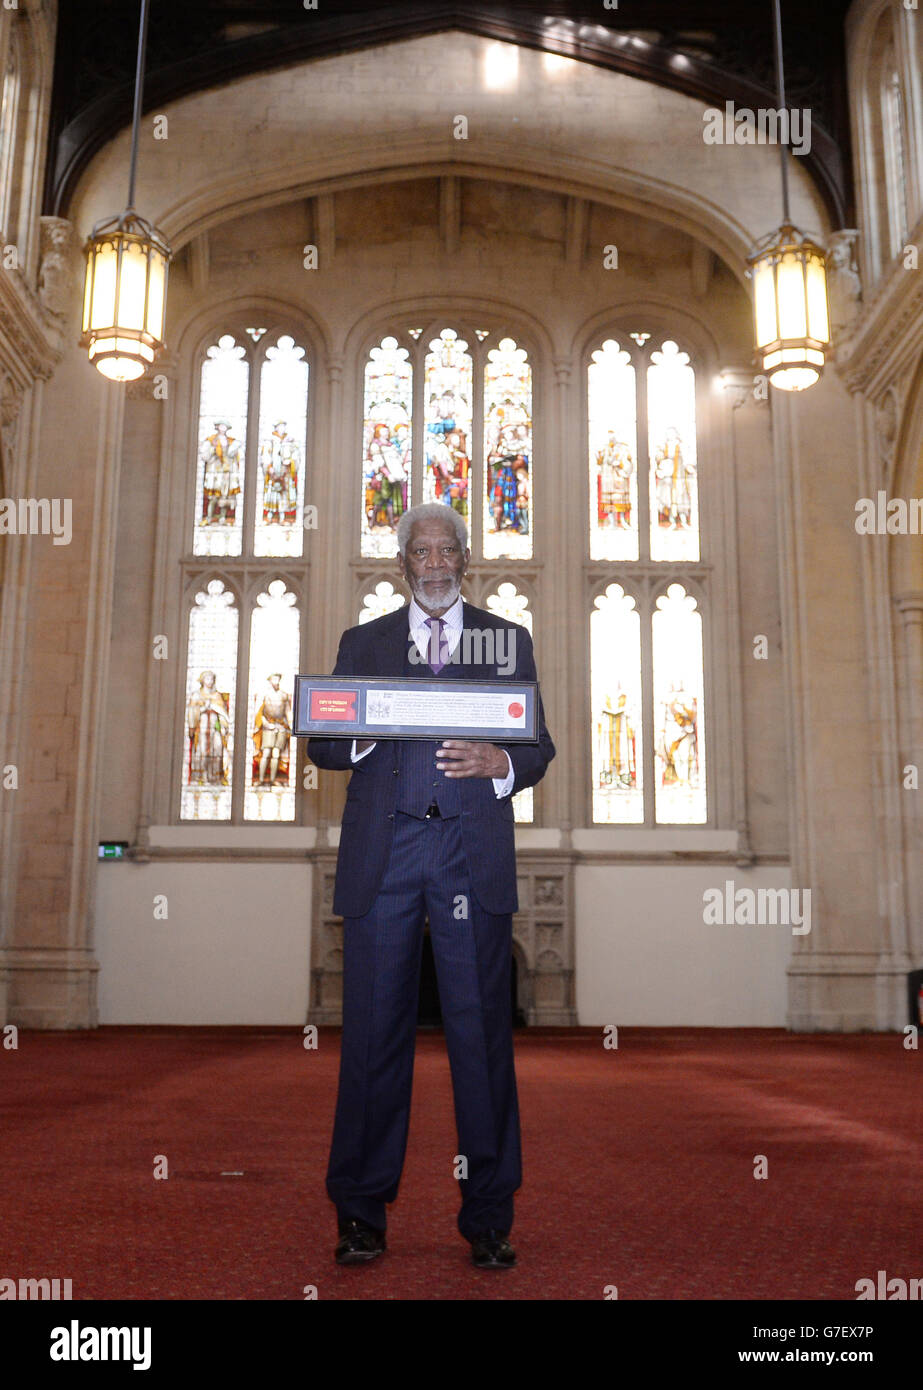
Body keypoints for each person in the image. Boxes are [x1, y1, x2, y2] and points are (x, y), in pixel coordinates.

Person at [307, 503, 555, 1270]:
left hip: (466, 852)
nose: (436, 559)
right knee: (373, 1041)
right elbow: (324, 741)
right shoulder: (364, 642)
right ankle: (360, 1216)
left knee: (481, 1041)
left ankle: (487, 1216)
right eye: (422, 549)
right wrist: (367, 724)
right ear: (403, 564)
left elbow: (538, 746)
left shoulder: (504, 639)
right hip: (385, 854)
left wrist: (502, 767)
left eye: (448, 547)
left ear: (466, 559)